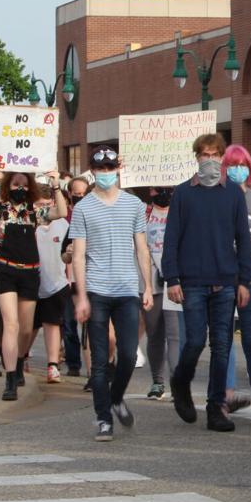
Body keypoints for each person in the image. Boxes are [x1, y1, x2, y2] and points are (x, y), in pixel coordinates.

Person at [162, 134, 251, 434]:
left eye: (215, 154)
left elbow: (243, 238)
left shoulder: (233, 194)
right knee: (195, 341)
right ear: (196, 157)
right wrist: (172, 279)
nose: (210, 159)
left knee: (222, 346)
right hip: (192, 281)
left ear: (223, 157)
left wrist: (244, 280)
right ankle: (180, 380)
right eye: (204, 154)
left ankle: (216, 406)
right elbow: (171, 240)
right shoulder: (183, 194)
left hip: (226, 281)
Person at [70, 146, 155, 442]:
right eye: (101, 169)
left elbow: (142, 248)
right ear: (93, 171)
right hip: (96, 288)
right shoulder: (82, 208)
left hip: (127, 288)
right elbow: (78, 256)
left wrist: (147, 286)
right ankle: (103, 418)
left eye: (110, 168)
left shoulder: (133, 204)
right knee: (99, 358)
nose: (106, 174)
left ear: (118, 168)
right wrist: (81, 296)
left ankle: (116, 397)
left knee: (129, 354)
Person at [0, 168, 67, 401]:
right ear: (7, 185)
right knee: (11, 324)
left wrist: (56, 186)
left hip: (29, 273)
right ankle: (10, 377)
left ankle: (19, 359)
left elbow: (62, 212)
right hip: (4, 270)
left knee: (26, 329)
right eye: (16, 184)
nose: (20, 189)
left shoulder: (35, 210)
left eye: (25, 185)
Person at [221, 144, 251, 415]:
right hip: (224, 279)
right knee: (222, 340)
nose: (238, 169)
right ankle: (224, 394)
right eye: (232, 165)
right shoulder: (218, 199)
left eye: (243, 165)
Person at [34, 182, 72, 384]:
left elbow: (69, 253)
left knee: (52, 323)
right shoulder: (28, 223)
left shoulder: (63, 225)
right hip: (31, 283)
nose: (44, 208)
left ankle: (53, 365)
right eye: (40, 204)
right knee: (28, 328)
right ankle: (21, 357)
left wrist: (70, 280)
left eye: (48, 204)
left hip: (56, 284)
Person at [142, 185, 177, 399]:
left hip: (174, 281)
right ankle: (157, 381)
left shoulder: (181, 210)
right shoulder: (143, 213)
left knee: (175, 335)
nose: (162, 193)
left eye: (167, 189)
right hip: (149, 282)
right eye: (157, 189)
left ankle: (177, 382)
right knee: (155, 334)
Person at [60, 176, 90, 376]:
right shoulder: (64, 218)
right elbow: (63, 254)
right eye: (76, 194)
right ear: (69, 194)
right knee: (69, 325)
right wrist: (68, 254)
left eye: (83, 193)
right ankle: (73, 364)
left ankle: (95, 369)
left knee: (89, 327)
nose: (80, 197)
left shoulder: (92, 214)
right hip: (67, 280)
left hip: (90, 280)